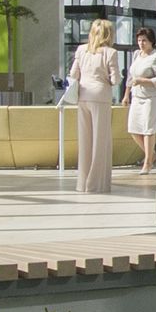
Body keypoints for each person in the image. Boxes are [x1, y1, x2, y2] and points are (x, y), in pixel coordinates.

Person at [66, 18, 120, 193]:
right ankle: (96, 184)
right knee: (100, 141)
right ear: (109, 34)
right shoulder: (110, 53)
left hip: (83, 96)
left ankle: (82, 183)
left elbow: (73, 74)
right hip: (101, 97)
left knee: (85, 141)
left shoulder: (81, 50)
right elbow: (115, 79)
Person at [126, 26, 156, 174]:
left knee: (148, 129)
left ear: (151, 41)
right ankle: (152, 154)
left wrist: (144, 81)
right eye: (139, 40)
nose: (141, 43)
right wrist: (126, 95)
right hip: (137, 96)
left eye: (144, 40)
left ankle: (148, 162)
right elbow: (131, 77)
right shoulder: (136, 55)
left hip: (152, 97)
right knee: (133, 128)